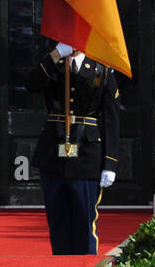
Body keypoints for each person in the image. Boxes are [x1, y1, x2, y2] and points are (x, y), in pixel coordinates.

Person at [26, 41, 120, 255]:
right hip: (53, 154)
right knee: (58, 222)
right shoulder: (53, 62)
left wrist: (110, 163)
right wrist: (56, 54)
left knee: (84, 222)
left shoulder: (100, 67)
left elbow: (111, 118)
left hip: (87, 156)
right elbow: (32, 84)